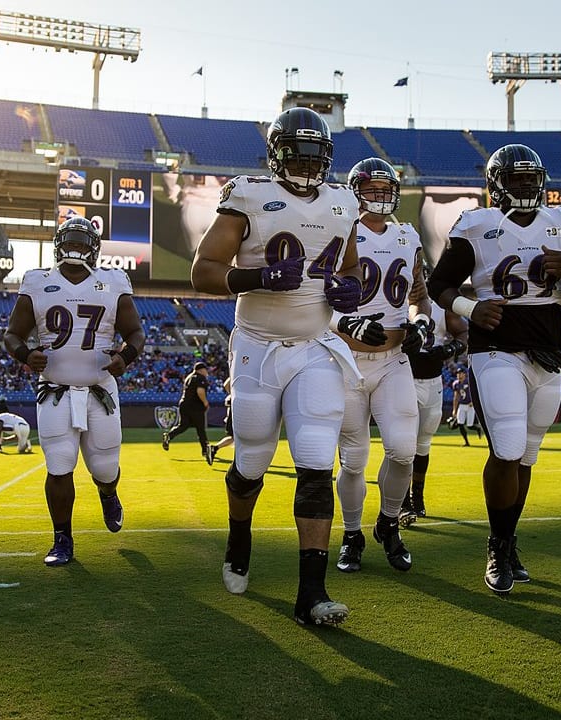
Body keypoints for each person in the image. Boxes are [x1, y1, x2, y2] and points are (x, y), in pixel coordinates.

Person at [190, 106, 362, 626]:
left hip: (317, 346)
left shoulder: (343, 202)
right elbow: (203, 271)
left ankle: (311, 592)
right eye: (298, 154)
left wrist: (350, 289)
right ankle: (239, 535)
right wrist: (257, 278)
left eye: (316, 156)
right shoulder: (247, 195)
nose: (308, 166)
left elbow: (350, 269)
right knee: (252, 462)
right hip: (258, 348)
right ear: (276, 154)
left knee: (315, 463)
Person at [427, 142, 561, 596]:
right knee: (505, 449)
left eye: (530, 178)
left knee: (526, 454)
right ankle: (497, 547)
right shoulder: (478, 224)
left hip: (545, 351)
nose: (525, 185)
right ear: (496, 184)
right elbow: (439, 283)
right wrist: (469, 307)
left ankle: (508, 542)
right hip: (496, 348)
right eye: (515, 178)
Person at [3, 216, 146, 568]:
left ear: (94, 250)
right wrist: (25, 354)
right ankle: (62, 538)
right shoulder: (37, 282)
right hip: (55, 390)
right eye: (71, 243)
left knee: (105, 466)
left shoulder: (113, 282)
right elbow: (12, 335)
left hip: (100, 389)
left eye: (83, 244)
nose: (76, 250)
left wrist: (124, 357)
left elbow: (136, 334)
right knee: (59, 464)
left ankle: (108, 493)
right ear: (58, 246)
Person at [330, 157, 430, 575]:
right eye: (371, 189)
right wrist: (344, 321)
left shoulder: (408, 237)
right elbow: (314, 297)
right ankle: (351, 533)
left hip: (393, 360)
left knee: (404, 451)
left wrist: (422, 323)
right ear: (355, 192)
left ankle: (388, 524)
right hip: (347, 360)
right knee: (353, 460)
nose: (380, 196)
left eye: (385, 188)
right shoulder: (338, 232)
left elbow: (419, 297)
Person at [401, 285, 467, 526]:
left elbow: (462, 333)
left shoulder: (440, 305)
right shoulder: (395, 298)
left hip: (432, 379)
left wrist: (451, 348)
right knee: (403, 443)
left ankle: (416, 496)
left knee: (423, 443)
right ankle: (402, 501)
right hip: (402, 376)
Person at [162, 360, 212, 464]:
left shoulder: (189, 377)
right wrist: (205, 402)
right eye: (205, 369)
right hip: (195, 406)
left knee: (183, 425)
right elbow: (200, 391)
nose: (206, 372)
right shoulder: (200, 378)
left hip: (184, 404)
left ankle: (169, 435)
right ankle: (205, 450)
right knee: (200, 429)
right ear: (201, 370)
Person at [449, 367, 482, 446]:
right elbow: (456, 397)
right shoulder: (456, 384)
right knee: (460, 424)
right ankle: (466, 442)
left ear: (465, 374)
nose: (459, 375)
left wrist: (473, 401)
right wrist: (454, 409)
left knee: (469, 426)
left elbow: (476, 392)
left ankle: (477, 428)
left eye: (461, 373)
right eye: (458, 374)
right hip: (462, 405)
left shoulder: (469, 382)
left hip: (470, 405)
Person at [208, 380, 234, 464]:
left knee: (234, 437)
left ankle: (214, 448)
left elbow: (226, 384)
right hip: (237, 408)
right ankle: (214, 448)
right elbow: (226, 384)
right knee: (236, 437)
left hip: (234, 405)